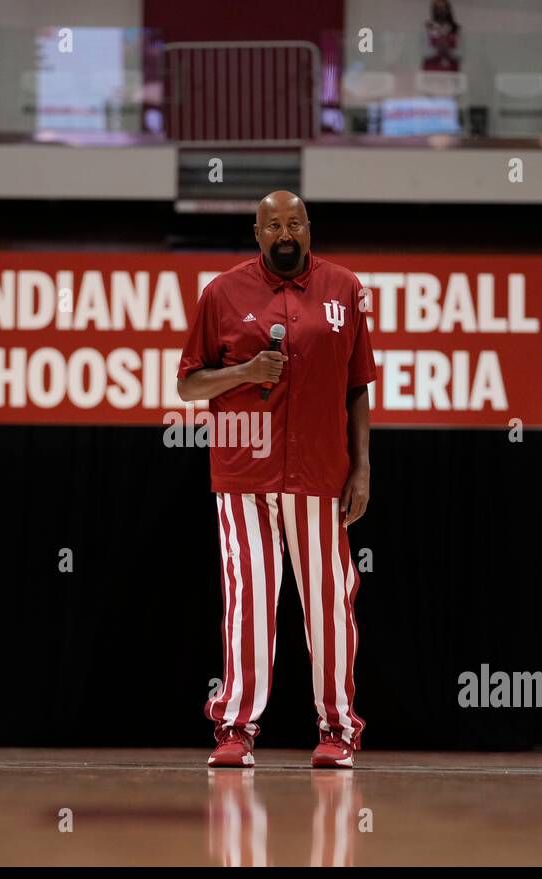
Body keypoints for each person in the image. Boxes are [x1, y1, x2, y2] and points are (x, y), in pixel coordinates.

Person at [177, 190, 375, 770]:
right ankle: (235, 729)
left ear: (308, 228)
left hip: (320, 472)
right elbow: (189, 386)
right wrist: (245, 371)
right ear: (257, 233)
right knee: (249, 601)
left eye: (295, 223)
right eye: (274, 225)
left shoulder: (345, 289)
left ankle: (338, 730)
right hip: (244, 473)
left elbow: (358, 385)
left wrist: (361, 468)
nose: (285, 233)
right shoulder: (220, 293)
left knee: (330, 603)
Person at [421, 0, 461, 73]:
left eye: (442, 8)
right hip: (431, 71)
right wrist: (438, 49)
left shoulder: (455, 28)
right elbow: (424, 52)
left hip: (451, 72)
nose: (440, 11)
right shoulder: (428, 28)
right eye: (437, 9)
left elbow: (460, 54)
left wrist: (448, 51)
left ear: (448, 10)